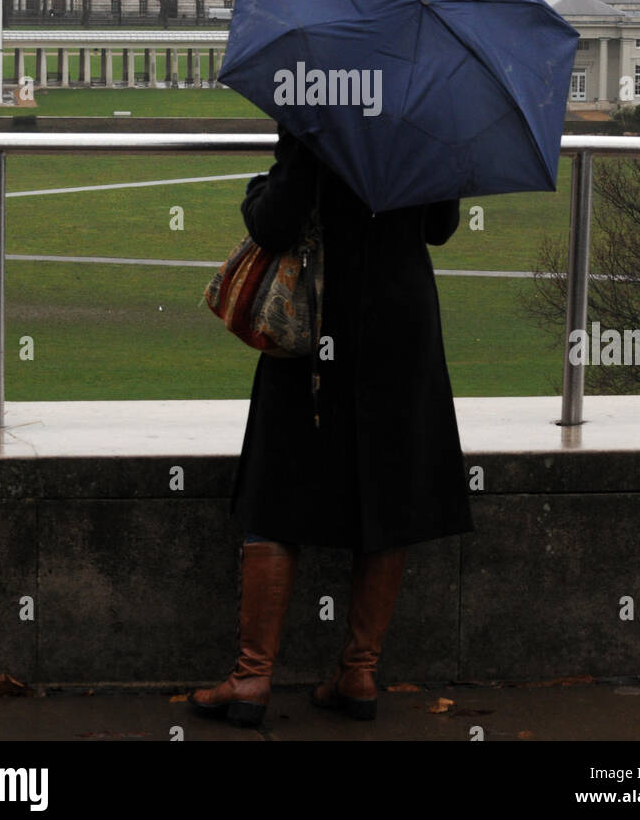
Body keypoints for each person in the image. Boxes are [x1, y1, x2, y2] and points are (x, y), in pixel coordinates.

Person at [188, 123, 473, 727]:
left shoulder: (322, 95)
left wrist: (256, 189)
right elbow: (439, 227)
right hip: (401, 315)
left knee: (276, 488)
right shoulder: (426, 103)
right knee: (390, 489)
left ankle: (251, 676)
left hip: (318, 313)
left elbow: (276, 222)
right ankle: (359, 670)